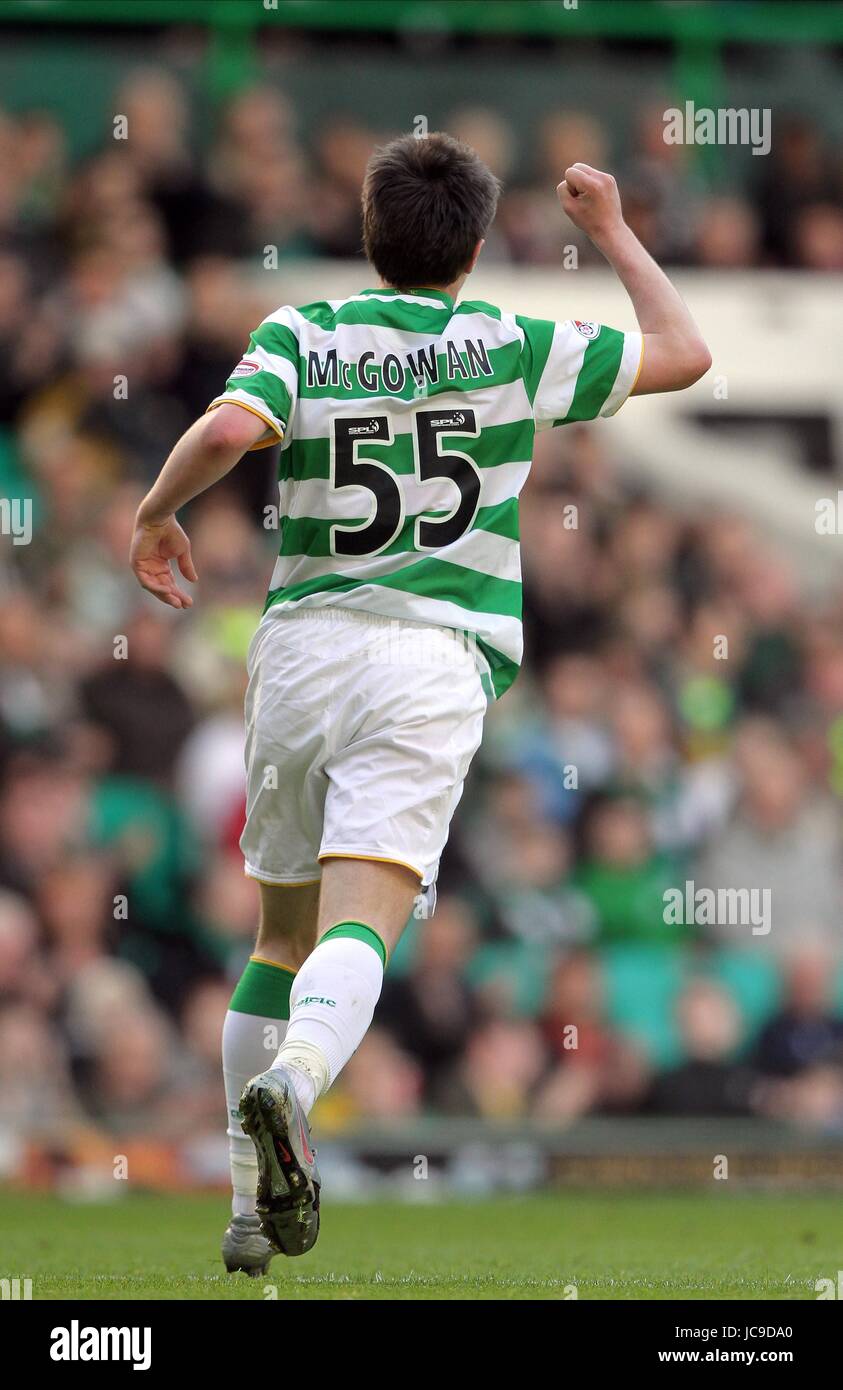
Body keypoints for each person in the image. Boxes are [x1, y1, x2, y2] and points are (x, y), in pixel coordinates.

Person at [129, 132, 710, 1273]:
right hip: (433, 656)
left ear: (366, 231)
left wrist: (155, 512)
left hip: (301, 650)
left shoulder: (303, 332)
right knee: (364, 921)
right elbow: (686, 353)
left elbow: (229, 431)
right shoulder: (509, 341)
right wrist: (610, 230)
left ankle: (249, 1209)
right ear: (478, 249)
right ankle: (298, 1083)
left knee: (278, 932)